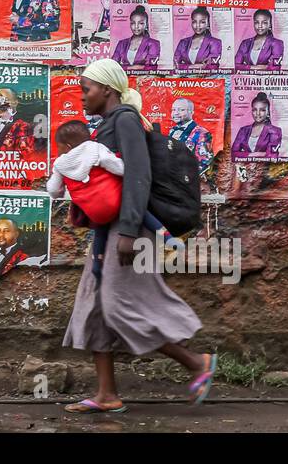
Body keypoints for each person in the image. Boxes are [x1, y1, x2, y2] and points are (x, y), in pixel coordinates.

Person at [64, 59, 213, 415]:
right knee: (94, 305)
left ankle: (196, 363)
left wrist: (130, 231)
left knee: (120, 306)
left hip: (127, 229)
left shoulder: (127, 120)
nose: (82, 96)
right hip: (109, 228)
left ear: (108, 91)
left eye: (87, 89)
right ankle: (106, 395)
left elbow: (138, 176)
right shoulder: (106, 126)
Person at [232, 92, 283, 159]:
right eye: (255, 110)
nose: (258, 113)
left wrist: (243, 154)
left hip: (266, 168)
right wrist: (254, 154)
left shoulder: (275, 131)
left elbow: (272, 155)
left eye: (262, 110)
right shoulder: (243, 130)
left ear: (268, 112)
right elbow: (233, 153)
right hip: (244, 167)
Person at [169, 97, 213, 171]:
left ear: (191, 112)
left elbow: (204, 162)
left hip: (186, 179)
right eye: (173, 110)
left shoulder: (202, 133)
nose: (176, 113)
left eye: (181, 110)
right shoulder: (172, 130)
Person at [111, 5, 159, 71]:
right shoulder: (122, 43)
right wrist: (133, 67)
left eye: (141, 23)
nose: (136, 26)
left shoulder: (153, 43)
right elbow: (113, 66)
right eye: (133, 23)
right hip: (124, 79)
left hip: (144, 80)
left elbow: (151, 68)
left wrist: (124, 68)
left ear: (146, 25)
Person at [173, 5, 221, 71]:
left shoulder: (215, 42)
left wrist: (184, 66)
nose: (197, 25)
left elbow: (213, 67)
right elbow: (175, 65)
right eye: (194, 22)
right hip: (186, 79)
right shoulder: (183, 42)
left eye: (202, 22)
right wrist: (192, 67)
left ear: (208, 24)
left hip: (207, 79)